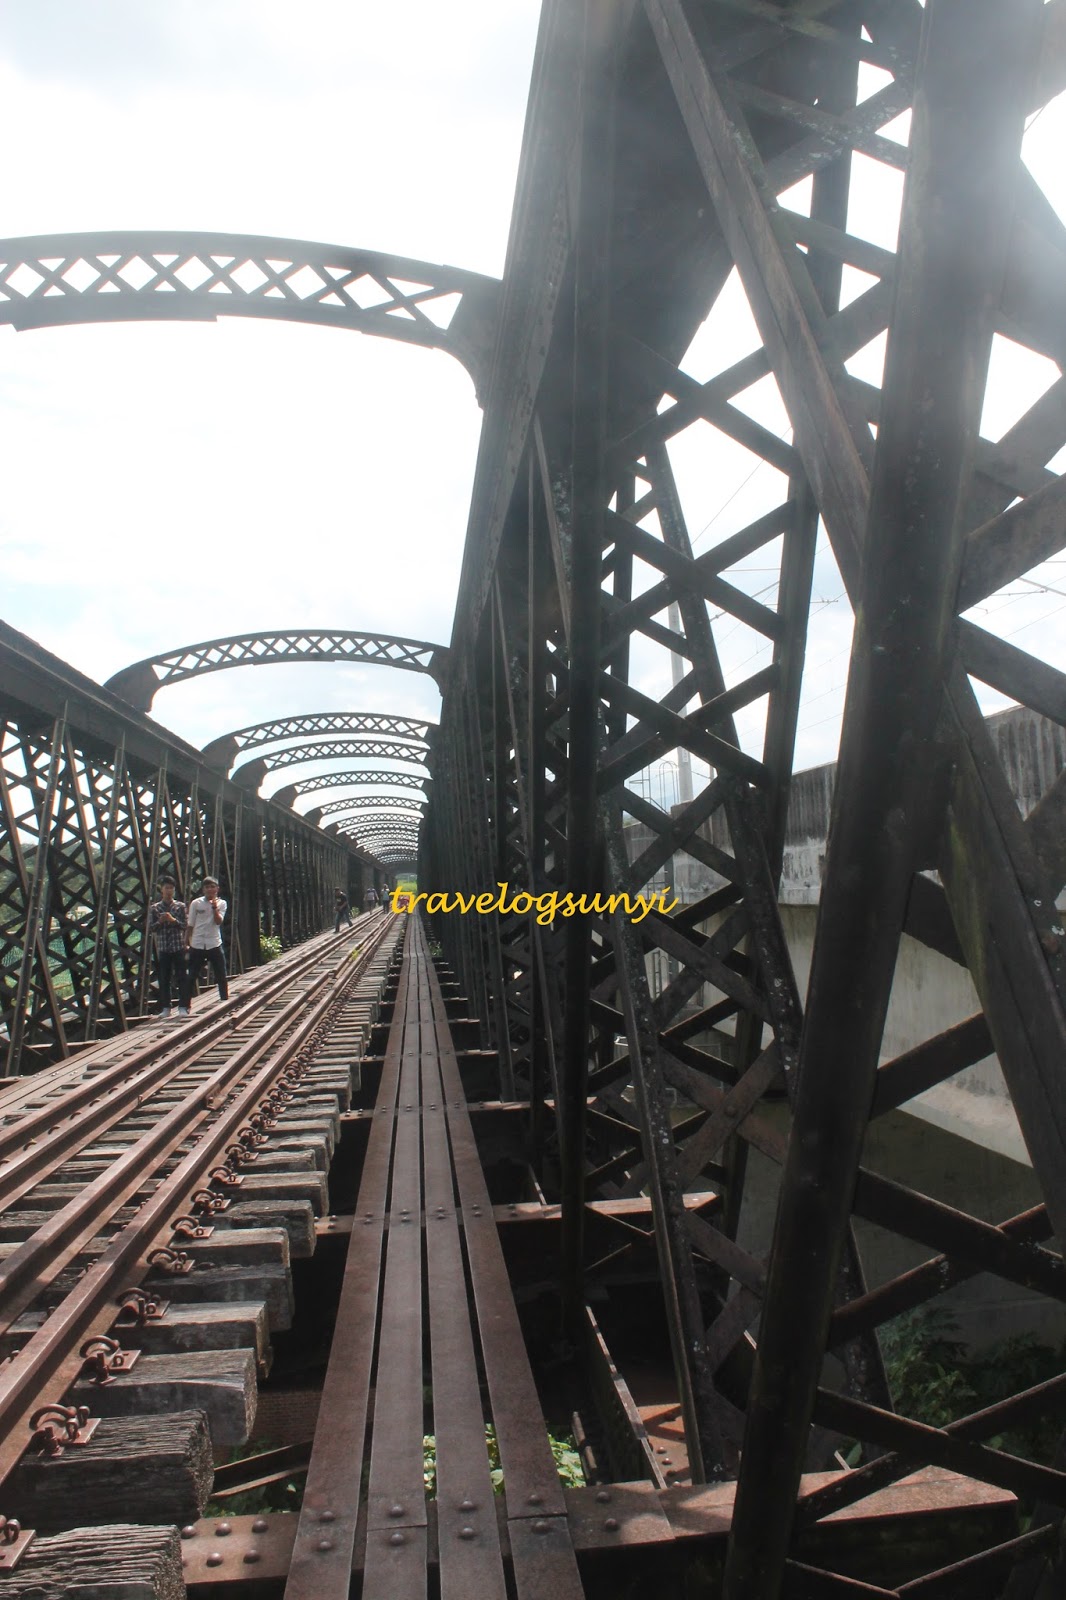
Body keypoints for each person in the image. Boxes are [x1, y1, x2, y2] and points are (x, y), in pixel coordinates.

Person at [185, 876, 229, 1007]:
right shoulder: (196, 903)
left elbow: (218, 922)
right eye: (207, 887)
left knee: (221, 974)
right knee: (192, 975)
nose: (210, 889)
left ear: (217, 889)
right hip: (197, 943)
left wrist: (215, 908)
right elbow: (190, 924)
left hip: (214, 943)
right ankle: (186, 1005)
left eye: (212, 886)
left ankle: (224, 1001)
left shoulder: (222, 904)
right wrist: (186, 942)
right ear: (203, 889)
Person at [148, 876, 188, 1018]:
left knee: (181, 977)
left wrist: (173, 920)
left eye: (171, 888)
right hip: (164, 948)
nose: (169, 890)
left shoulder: (180, 906)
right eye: (166, 888)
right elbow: (151, 928)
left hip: (178, 947)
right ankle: (166, 1008)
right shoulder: (155, 908)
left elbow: (185, 926)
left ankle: (183, 1006)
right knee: (164, 979)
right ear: (161, 889)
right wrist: (160, 921)